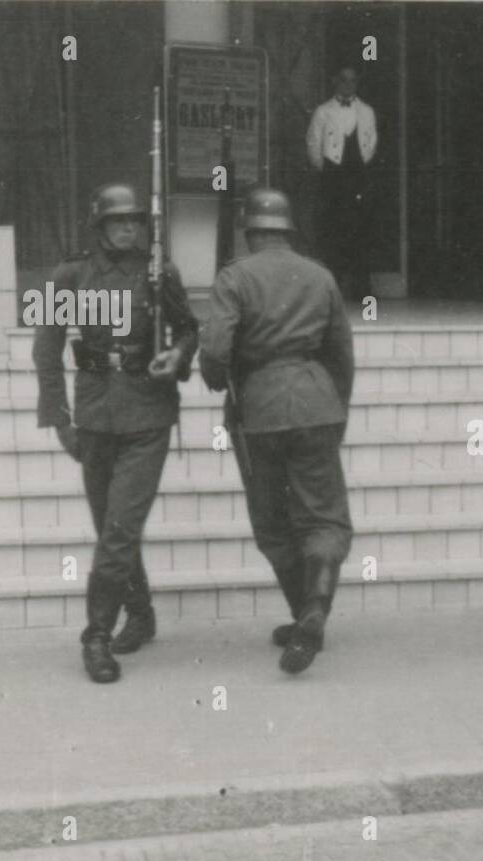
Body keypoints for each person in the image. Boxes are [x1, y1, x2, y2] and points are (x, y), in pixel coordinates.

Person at [33, 183, 198, 683]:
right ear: (100, 224)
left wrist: (180, 355)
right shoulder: (70, 274)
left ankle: (97, 635)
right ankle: (142, 613)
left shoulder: (160, 272)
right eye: (120, 221)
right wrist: (59, 417)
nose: (130, 228)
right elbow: (46, 348)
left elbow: (190, 328)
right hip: (94, 412)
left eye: (137, 221)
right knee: (112, 529)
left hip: (148, 414)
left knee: (120, 528)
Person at [199, 187, 355, 675]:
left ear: (250, 233)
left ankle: (304, 613)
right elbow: (341, 353)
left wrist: (211, 378)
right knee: (324, 519)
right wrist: (334, 407)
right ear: (288, 231)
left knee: (272, 522)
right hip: (317, 403)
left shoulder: (234, 277)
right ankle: (313, 613)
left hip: (259, 411)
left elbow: (216, 350)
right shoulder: (320, 275)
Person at [306, 66, 378, 300]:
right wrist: (327, 170)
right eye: (344, 80)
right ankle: (333, 288)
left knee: (360, 231)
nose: (349, 85)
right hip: (334, 175)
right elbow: (314, 144)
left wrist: (362, 165)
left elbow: (372, 141)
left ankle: (361, 290)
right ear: (336, 82)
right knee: (334, 230)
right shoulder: (323, 111)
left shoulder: (366, 110)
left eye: (353, 81)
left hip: (358, 174)